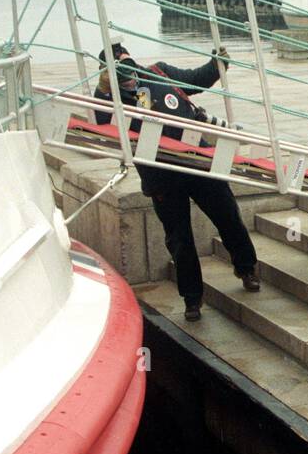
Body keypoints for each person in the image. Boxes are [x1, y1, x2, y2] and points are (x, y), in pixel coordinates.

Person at [94, 43, 260, 320]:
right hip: (161, 175)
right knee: (179, 239)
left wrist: (216, 64)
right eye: (118, 66)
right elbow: (101, 122)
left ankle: (247, 268)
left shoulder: (160, 72)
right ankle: (192, 299)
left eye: (127, 60)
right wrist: (104, 89)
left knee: (228, 216)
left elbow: (195, 80)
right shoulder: (111, 98)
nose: (127, 69)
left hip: (198, 161)